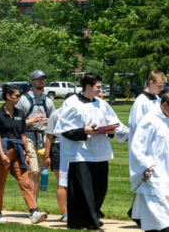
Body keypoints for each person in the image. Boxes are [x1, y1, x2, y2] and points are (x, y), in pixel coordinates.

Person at [57, 72, 130, 231]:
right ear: (88, 86)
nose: (100, 90)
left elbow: (115, 122)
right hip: (80, 153)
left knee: (100, 189)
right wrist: (84, 131)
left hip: (100, 152)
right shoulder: (72, 103)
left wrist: (116, 130)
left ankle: (93, 216)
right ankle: (86, 221)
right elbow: (64, 129)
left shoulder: (102, 104)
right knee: (85, 190)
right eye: (98, 87)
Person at [0, 84, 48, 224]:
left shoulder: (20, 113)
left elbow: (23, 135)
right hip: (4, 151)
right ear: (8, 96)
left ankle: (33, 212)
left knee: (25, 181)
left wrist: (26, 153)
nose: (18, 98)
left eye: (19, 96)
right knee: (0, 183)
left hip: (18, 151)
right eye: (16, 96)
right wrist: (2, 155)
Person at [130, 92, 169, 232]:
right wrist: (146, 165)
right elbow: (137, 146)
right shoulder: (149, 120)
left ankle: (155, 228)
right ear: (164, 105)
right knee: (155, 197)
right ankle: (167, 227)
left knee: (165, 198)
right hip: (153, 169)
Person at [128, 70, 165, 223]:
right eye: (159, 86)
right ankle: (138, 214)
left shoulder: (156, 98)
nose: (161, 89)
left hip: (155, 146)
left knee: (149, 181)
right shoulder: (141, 101)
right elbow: (136, 125)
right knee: (146, 180)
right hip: (144, 147)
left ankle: (136, 213)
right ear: (150, 83)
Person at [17, 70, 53, 199]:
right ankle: (32, 205)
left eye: (43, 78)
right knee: (33, 172)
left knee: (39, 173)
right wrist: (33, 120)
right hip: (28, 137)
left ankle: (34, 203)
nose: (41, 81)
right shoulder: (23, 101)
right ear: (31, 82)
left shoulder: (48, 101)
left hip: (42, 138)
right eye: (38, 79)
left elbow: (55, 123)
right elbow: (16, 123)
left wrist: (49, 123)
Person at [45, 103, 69, 222]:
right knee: (62, 182)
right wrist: (47, 155)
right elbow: (49, 136)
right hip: (58, 147)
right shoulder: (56, 114)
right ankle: (64, 213)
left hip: (73, 147)